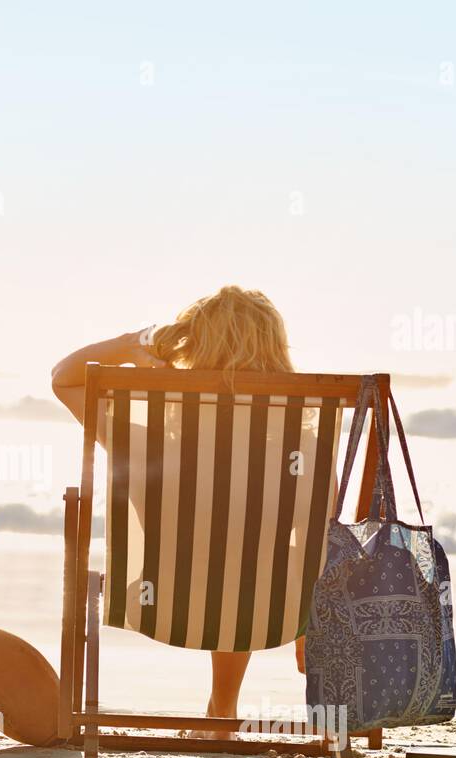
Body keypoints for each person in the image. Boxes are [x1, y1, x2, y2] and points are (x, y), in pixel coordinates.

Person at [49, 285, 305, 734]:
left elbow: (64, 377)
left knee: (225, 562)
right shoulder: (297, 439)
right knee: (244, 563)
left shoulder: (147, 434)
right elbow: (320, 533)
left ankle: (215, 710)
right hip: (270, 604)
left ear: (193, 345)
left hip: (157, 593)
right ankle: (222, 710)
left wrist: (134, 343)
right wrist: (310, 617)